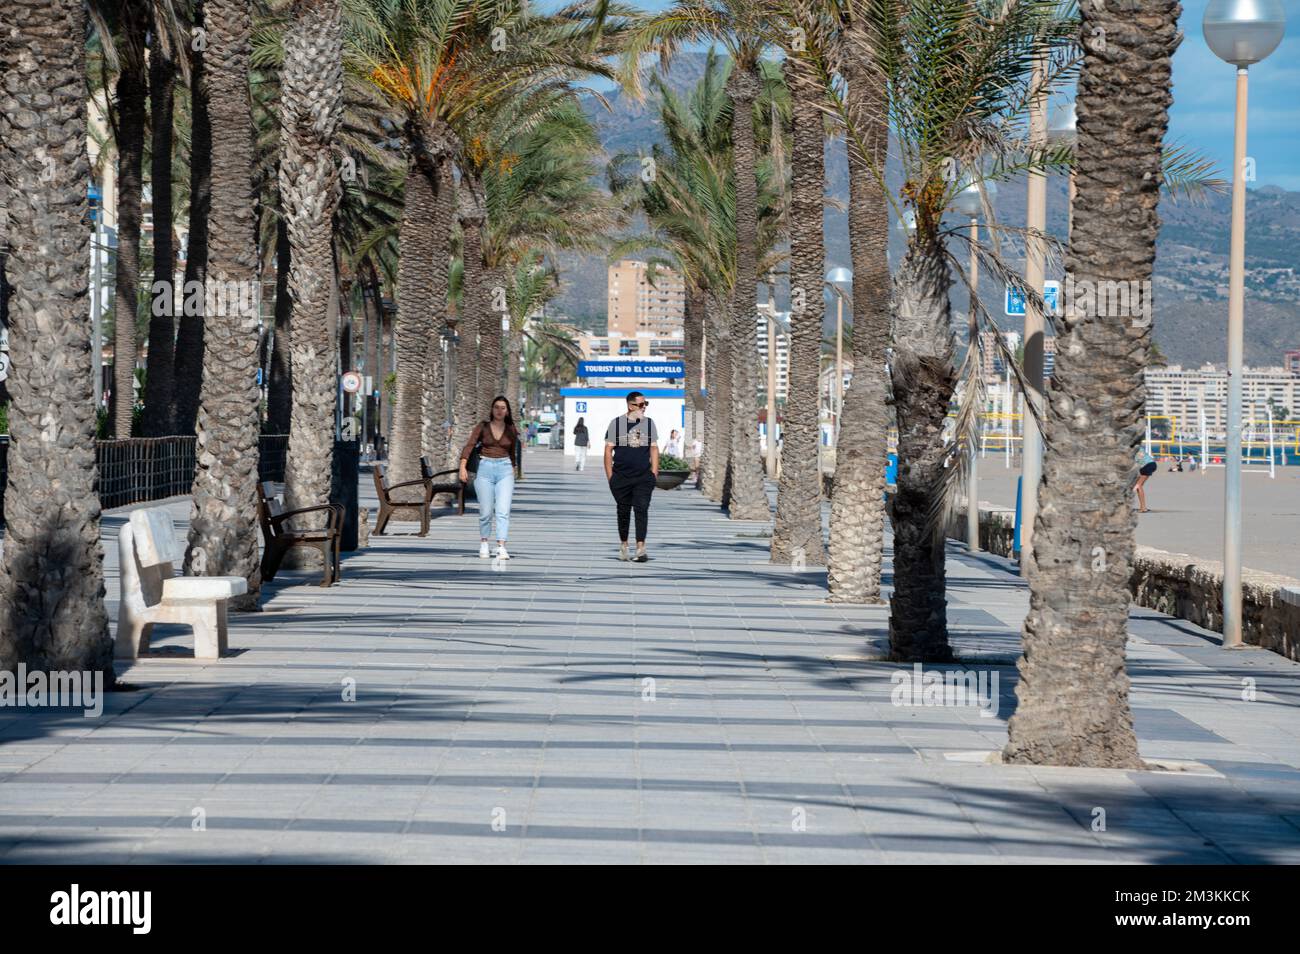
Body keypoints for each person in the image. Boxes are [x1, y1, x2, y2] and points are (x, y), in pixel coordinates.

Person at [459, 396, 520, 560]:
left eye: (503, 408)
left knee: (503, 511)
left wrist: (513, 469)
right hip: (485, 469)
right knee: (486, 511)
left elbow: (513, 451)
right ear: (492, 409)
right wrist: (462, 467)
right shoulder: (483, 427)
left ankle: (501, 546)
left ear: (507, 411)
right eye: (496, 407)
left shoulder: (511, 429)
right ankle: (484, 543)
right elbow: (470, 445)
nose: (499, 410)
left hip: (505, 470)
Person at [604, 391, 659, 562]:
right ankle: (624, 545)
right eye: (641, 405)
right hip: (621, 477)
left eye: (646, 404)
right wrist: (610, 478)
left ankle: (641, 548)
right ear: (630, 406)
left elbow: (654, 448)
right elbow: (608, 451)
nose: (644, 408)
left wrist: (654, 474)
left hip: (643, 477)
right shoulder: (617, 424)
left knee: (642, 509)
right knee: (623, 511)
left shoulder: (649, 424)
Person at [1135, 447, 1157, 513]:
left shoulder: (1130, 450)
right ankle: (1142, 507)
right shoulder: (1138, 447)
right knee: (1139, 485)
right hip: (1151, 464)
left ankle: (1143, 508)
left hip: (1147, 465)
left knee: (1138, 485)